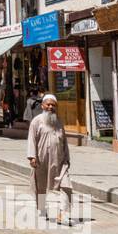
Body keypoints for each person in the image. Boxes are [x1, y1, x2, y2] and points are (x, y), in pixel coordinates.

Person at [27, 93, 72, 224]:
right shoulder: (36, 121)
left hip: (59, 161)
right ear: (43, 106)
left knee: (66, 186)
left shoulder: (58, 122)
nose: (51, 107)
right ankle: (41, 209)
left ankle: (63, 214)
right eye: (48, 104)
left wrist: (67, 158)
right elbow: (31, 139)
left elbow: (64, 141)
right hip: (41, 160)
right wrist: (32, 156)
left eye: (53, 105)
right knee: (40, 187)